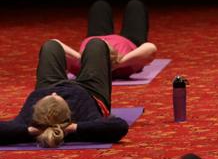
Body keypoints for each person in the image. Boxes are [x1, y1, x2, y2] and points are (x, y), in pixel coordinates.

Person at [0, 39, 129, 147]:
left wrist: (30, 131)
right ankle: (85, 60)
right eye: (57, 98)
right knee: (96, 45)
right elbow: (119, 126)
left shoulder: (27, 121)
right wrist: (73, 128)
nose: (55, 94)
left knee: (51, 45)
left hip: (49, 84)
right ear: (69, 114)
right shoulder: (82, 120)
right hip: (90, 91)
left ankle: (82, 59)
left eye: (49, 97)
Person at [58, 0, 158, 79]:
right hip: (129, 40)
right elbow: (150, 48)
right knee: (135, 5)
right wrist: (118, 63)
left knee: (100, 5)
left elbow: (55, 44)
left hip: (95, 36)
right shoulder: (126, 67)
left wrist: (82, 59)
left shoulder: (82, 67)